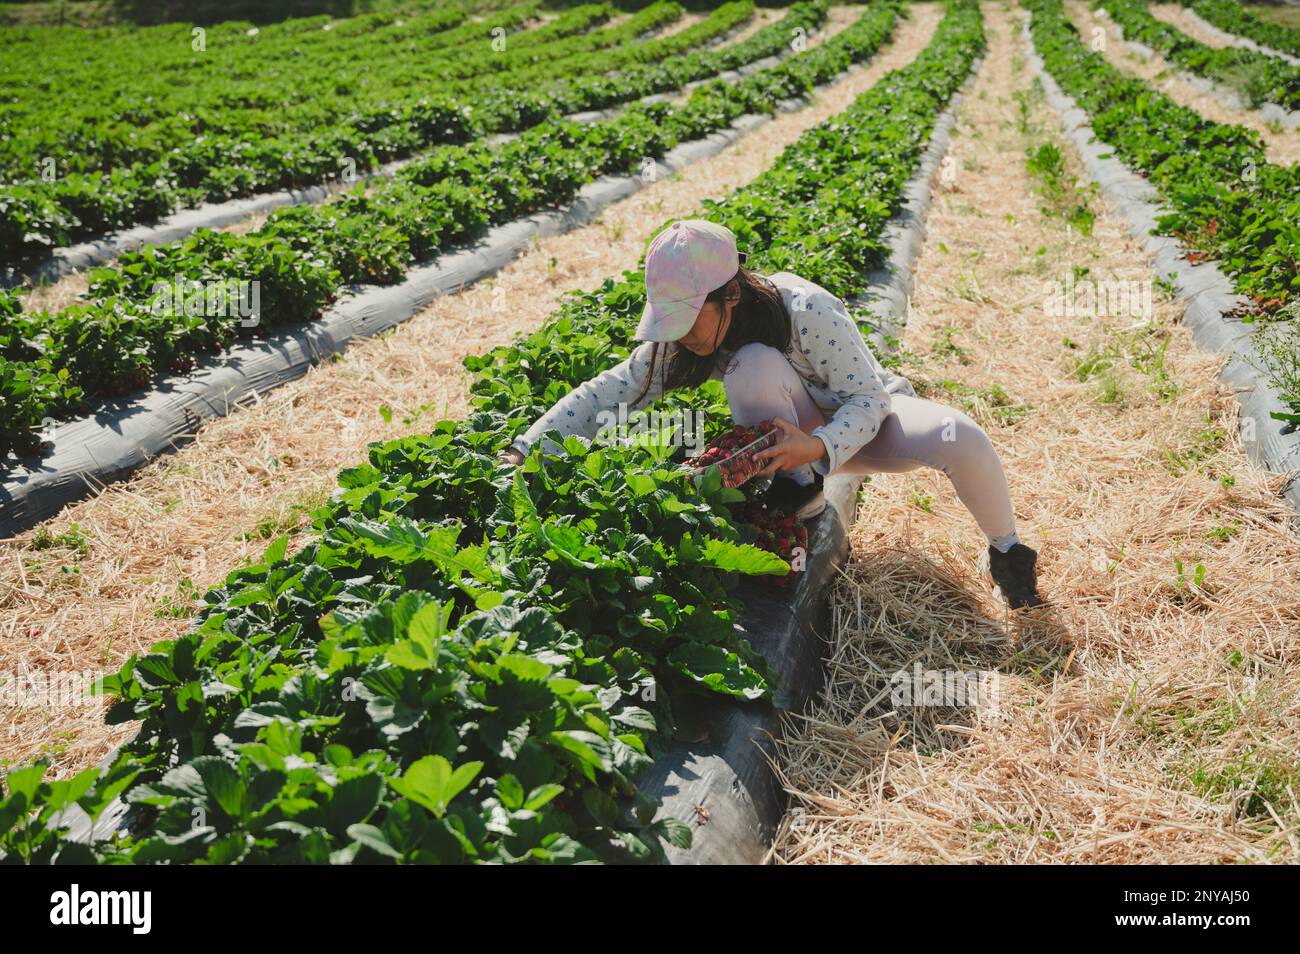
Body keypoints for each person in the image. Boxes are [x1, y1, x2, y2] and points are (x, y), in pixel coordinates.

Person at [498, 219, 1043, 608]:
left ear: (729, 293)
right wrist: (526, 446)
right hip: (789, 443)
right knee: (753, 367)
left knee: (961, 436)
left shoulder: (804, 309)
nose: (681, 337)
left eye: (689, 318)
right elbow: (612, 389)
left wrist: (820, 445)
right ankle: (798, 493)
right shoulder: (686, 342)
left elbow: (870, 400)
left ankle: (1009, 553)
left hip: (857, 424)